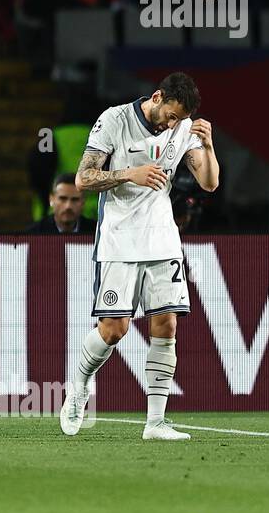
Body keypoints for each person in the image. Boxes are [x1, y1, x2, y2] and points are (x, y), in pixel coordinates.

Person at [61, 73, 220, 442]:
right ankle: (79, 387)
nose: (171, 124)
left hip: (162, 239)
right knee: (114, 330)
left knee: (166, 326)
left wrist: (208, 147)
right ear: (157, 96)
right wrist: (128, 173)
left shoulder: (182, 130)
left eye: (179, 119)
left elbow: (209, 183)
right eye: (170, 116)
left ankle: (156, 422)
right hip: (119, 239)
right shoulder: (114, 120)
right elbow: (83, 179)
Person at [27, 174, 96, 234]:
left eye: (75, 200)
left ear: (83, 202)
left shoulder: (97, 232)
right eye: (62, 199)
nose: (68, 206)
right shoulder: (33, 234)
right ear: (51, 199)